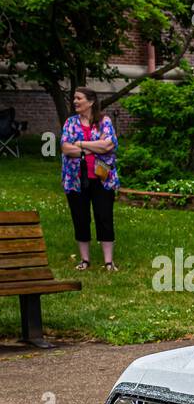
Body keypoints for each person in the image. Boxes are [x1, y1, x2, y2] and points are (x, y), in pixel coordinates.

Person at [60, 87, 119, 271]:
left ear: (91, 102)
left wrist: (81, 144)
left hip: (102, 178)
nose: (75, 101)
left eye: (79, 98)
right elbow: (66, 148)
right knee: (80, 217)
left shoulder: (104, 121)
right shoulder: (70, 123)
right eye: (74, 99)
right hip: (76, 179)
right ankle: (85, 260)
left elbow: (108, 145)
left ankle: (108, 261)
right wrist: (95, 147)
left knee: (104, 216)